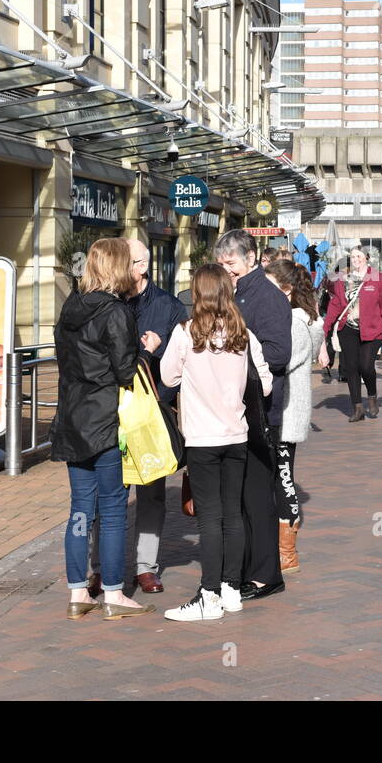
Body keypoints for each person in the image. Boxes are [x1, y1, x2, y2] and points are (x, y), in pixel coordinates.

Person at [155, 264, 272, 620]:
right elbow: (264, 384)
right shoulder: (244, 334)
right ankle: (232, 589)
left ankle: (208, 595)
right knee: (232, 514)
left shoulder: (185, 333)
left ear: (198, 293)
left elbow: (167, 376)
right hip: (236, 434)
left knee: (209, 518)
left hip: (202, 438)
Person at [50, 238, 154, 620]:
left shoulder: (70, 306)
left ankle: (78, 591)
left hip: (73, 419)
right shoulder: (116, 312)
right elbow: (125, 371)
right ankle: (114, 593)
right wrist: (147, 350)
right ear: (117, 268)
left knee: (80, 509)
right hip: (107, 420)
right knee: (112, 510)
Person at [213, 228, 291, 601]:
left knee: (258, 496)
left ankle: (265, 574)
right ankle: (244, 569)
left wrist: (234, 347)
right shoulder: (234, 292)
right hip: (233, 411)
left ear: (250, 258)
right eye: (221, 264)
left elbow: (278, 354)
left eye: (231, 264)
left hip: (260, 412)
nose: (226, 271)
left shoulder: (268, 297)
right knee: (239, 496)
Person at [123, 238, 188, 594]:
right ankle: (104, 566)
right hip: (113, 414)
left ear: (142, 266)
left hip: (153, 416)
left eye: (126, 261)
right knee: (111, 494)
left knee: (151, 493)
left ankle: (146, 566)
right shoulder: (108, 302)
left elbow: (185, 363)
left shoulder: (168, 307)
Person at [265, 260, 324, 573]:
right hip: (285, 411)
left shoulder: (294, 323)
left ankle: (287, 552)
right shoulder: (297, 319)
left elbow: (280, 361)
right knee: (280, 476)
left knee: (284, 479)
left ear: (286, 291)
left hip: (286, 413)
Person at [320, 246, 382, 422]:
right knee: (351, 368)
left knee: (366, 366)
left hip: (372, 329)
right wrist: (325, 327)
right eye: (352, 257)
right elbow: (336, 304)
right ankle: (357, 408)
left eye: (359, 256)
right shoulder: (342, 280)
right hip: (348, 329)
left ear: (366, 258)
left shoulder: (377, 278)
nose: (355, 259)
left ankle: (372, 396)